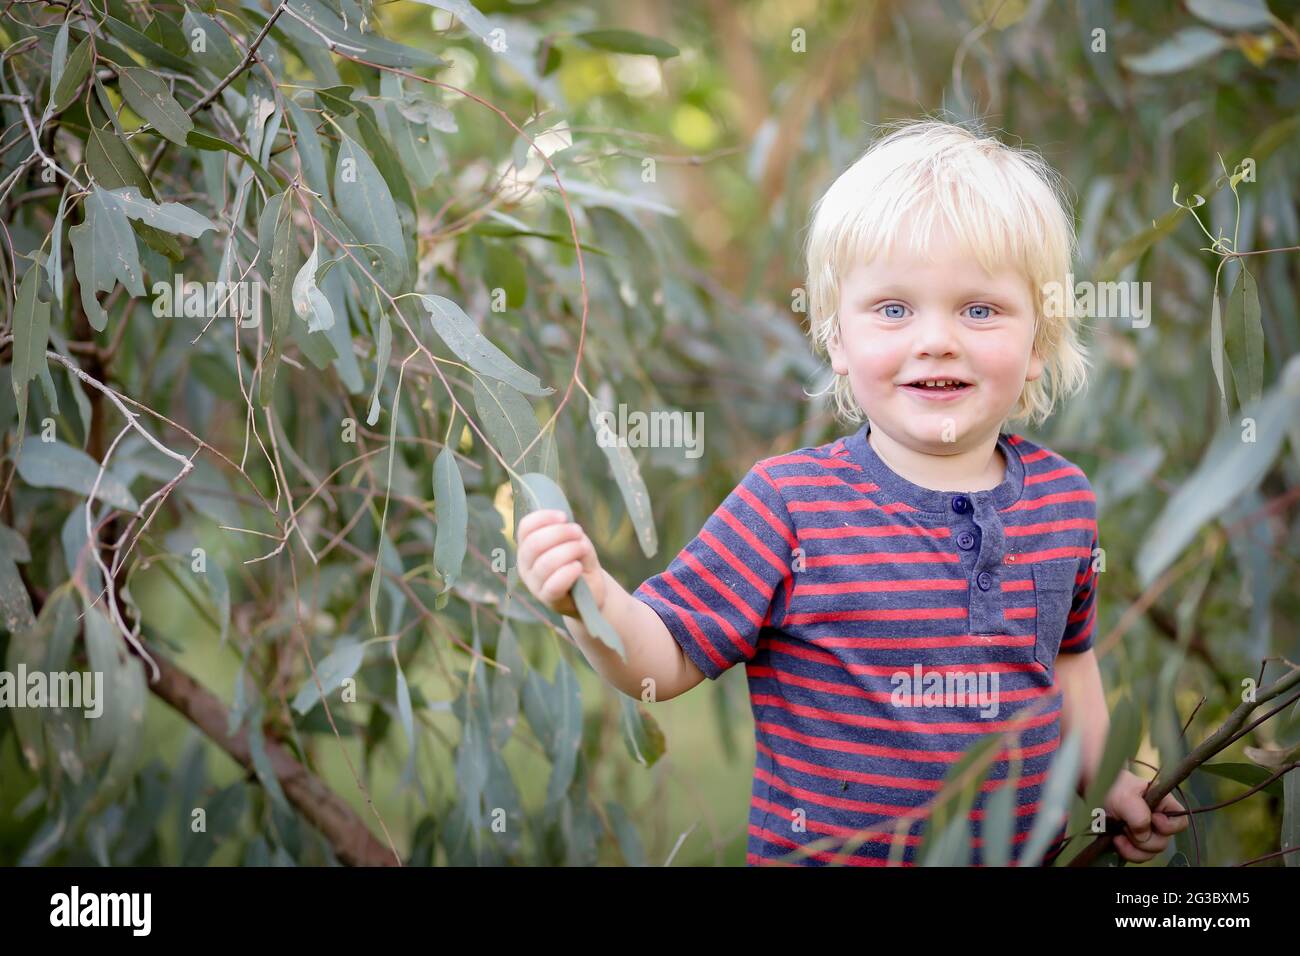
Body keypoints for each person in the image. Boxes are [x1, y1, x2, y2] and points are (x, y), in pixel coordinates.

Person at [516, 119, 1188, 866]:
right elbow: (664, 660)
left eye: (980, 309)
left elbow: (1067, 664)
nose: (937, 339)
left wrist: (1112, 777)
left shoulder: (1064, 502)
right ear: (837, 338)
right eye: (894, 309)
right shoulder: (789, 505)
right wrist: (594, 603)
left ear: (1039, 341)